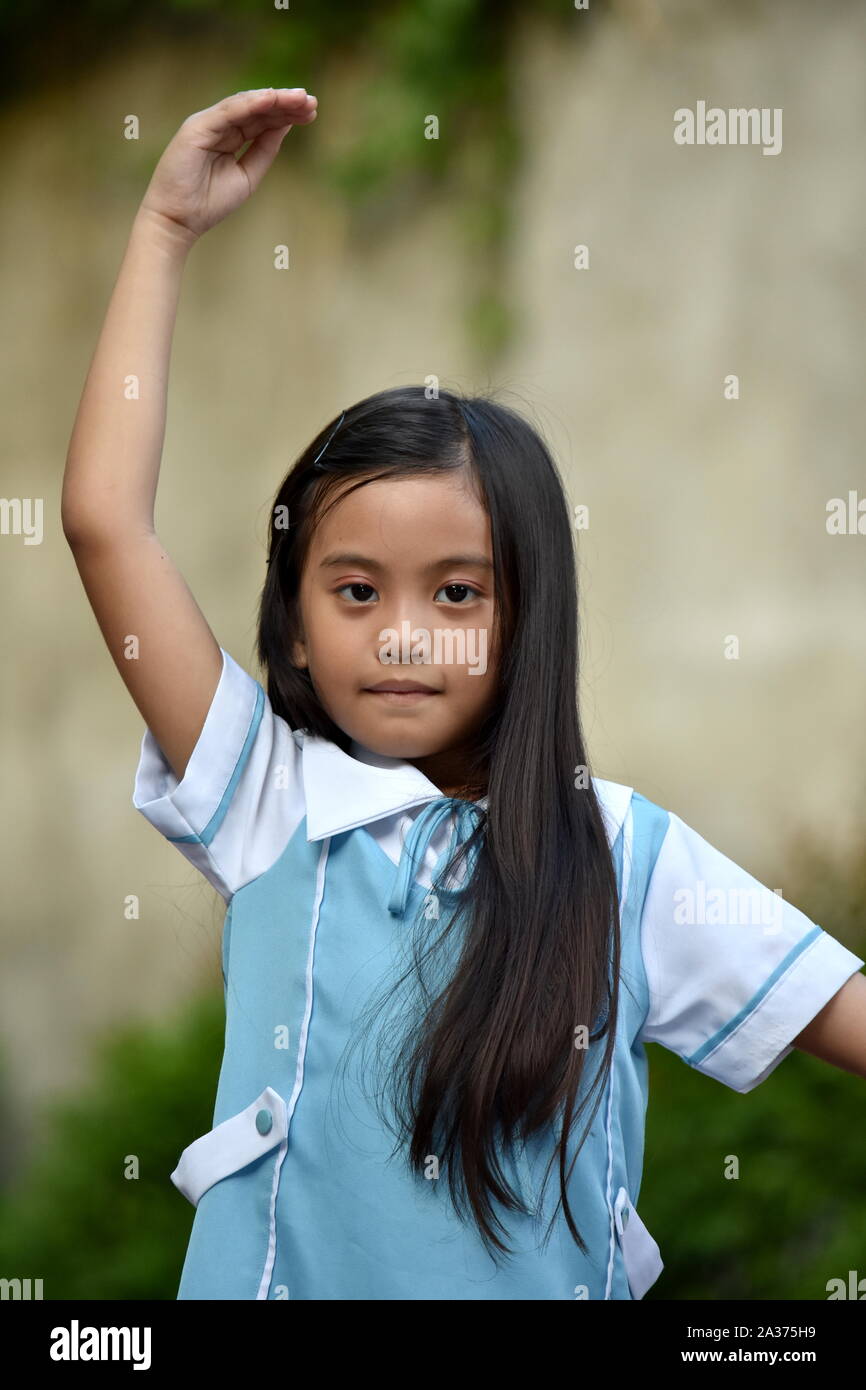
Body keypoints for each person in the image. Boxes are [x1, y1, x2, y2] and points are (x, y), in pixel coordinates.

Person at [61, 88, 866, 1301]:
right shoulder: (265, 797)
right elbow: (102, 523)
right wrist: (164, 234)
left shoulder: (623, 856)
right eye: (353, 591)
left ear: (527, 616)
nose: (402, 637)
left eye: (455, 594)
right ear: (293, 614)